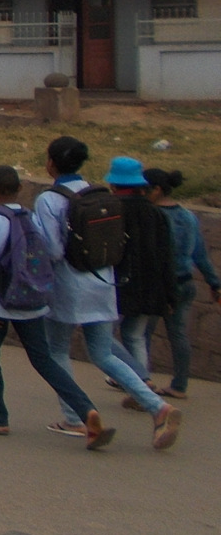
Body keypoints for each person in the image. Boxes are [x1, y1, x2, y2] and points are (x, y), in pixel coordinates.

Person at [36, 141, 181, 449]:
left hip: (67, 287)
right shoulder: (98, 194)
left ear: (51, 164)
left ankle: (75, 418)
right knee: (103, 353)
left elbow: (53, 249)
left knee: (57, 350)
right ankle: (158, 408)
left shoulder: (49, 200)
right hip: (103, 282)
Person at [0, 164, 114, 448]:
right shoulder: (31, 218)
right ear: (20, 189)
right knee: (43, 359)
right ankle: (87, 411)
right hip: (32, 301)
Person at [135, 168, 221, 399]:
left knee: (141, 333)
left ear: (157, 190)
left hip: (158, 285)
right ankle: (179, 385)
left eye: (144, 189)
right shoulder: (188, 216)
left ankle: (140, 380)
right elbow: (200, 254)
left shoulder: (154, 217)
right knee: (178, 334)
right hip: (184, 283)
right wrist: (214, 283)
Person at [112, 163, 180, 395]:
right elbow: (166, 257)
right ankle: (141, 386)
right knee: (135, 335)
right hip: (150, 287)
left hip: (116, 285)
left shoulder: (113, 209)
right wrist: (171, 295)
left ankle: (138, 381)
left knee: (103, 336)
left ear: (114, 184)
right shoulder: (156, 214)